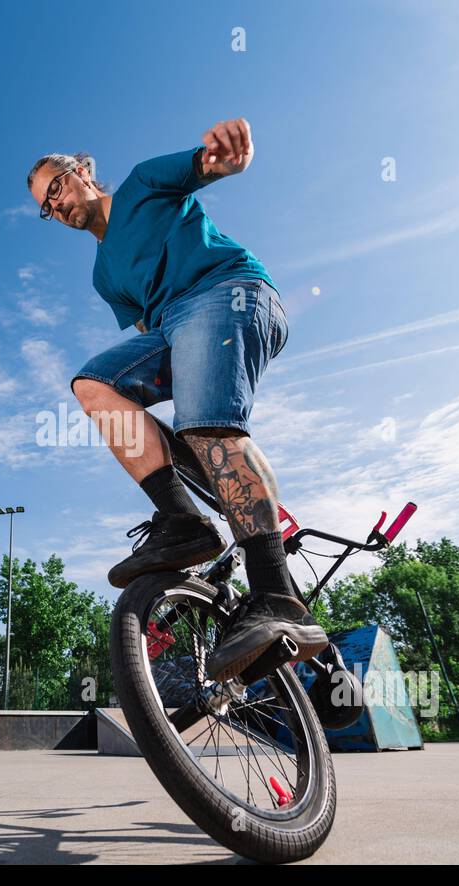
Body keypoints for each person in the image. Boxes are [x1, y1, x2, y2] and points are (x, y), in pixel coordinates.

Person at [26, 119, 327, 682]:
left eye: (59, 187)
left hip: (226, 293)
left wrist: (231, 154)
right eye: (47, 206)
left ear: (84, 171)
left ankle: (275, 597)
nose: (58, 206)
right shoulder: (103, 274)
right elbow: (146, 336)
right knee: (95, 385)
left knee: (206, 427)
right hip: (171, 328)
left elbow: (214, 163)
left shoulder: (143, 184)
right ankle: (183, 519)